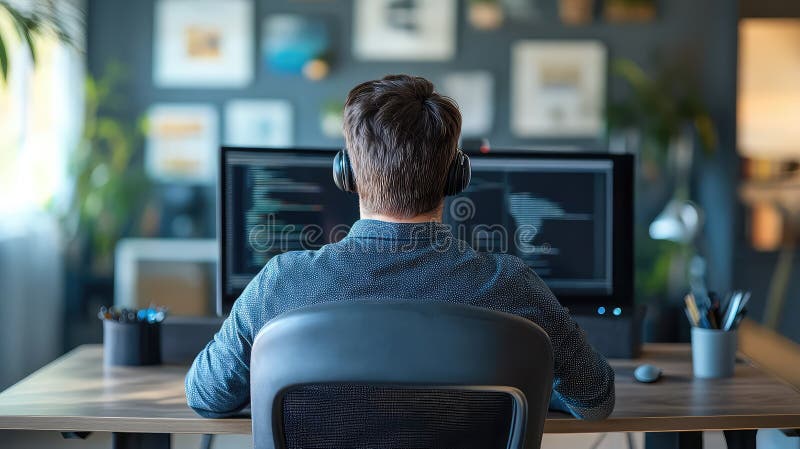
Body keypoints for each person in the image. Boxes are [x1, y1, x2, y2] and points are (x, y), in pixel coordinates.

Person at [185, 74, 615, 421]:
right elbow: (595, 399)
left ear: (347, 173)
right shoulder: (510, 286)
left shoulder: (281, 284)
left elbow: (206, 396)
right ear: (456, 176)